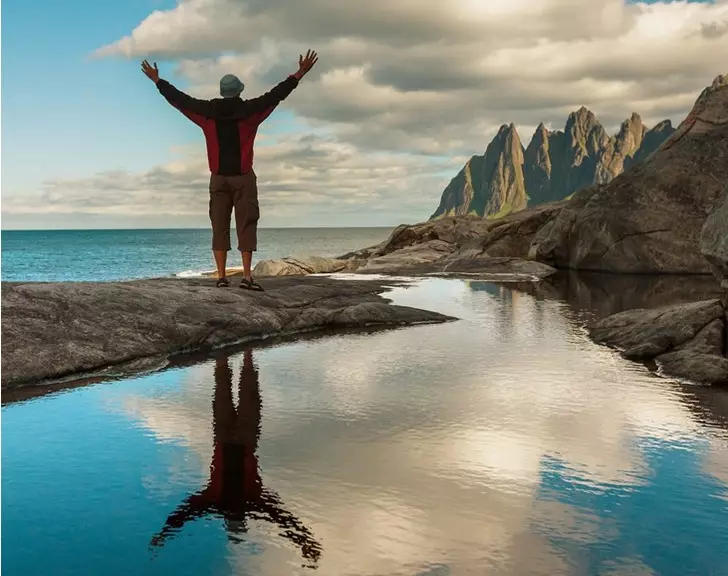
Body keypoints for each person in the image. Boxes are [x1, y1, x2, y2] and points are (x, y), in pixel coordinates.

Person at [140, 50, 319, 290]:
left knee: (219, 226)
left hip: (218, 179)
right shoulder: (250, 113)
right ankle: (246, 277)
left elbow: (179, 100)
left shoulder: (206, 114)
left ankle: (221, 277)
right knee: (247, 225)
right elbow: (276, 95)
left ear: (222, 92)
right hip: (244, 178)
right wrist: (300, 73)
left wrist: (158, 81)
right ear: (240, 91)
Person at [150, 349, 323, 567]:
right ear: (240, 517)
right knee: (238, 389)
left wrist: (164, 534)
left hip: (230, 437)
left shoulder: (224, 501)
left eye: (233, 516)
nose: (235, 511)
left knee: (228, 388)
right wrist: (304, 541)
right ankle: (243, 352)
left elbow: (185, 513)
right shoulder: (247, 502)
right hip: (241, 438)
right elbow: (282, 519)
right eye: (237, 516)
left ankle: (235, 353)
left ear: (229, 517)